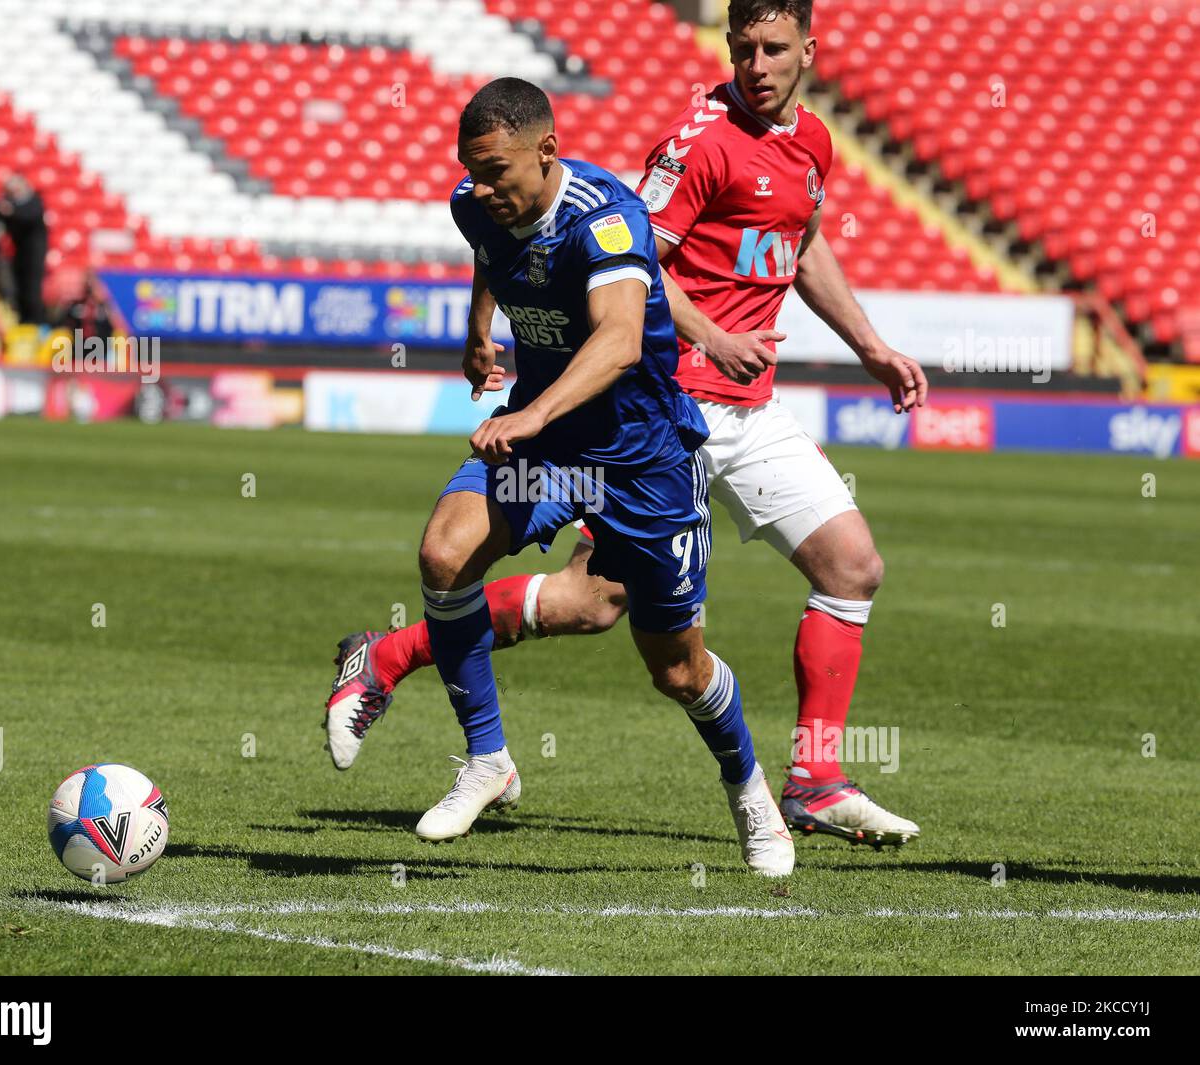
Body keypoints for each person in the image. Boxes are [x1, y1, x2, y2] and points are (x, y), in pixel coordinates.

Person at [329, 1, 929, 849]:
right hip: (659, 390)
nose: (756, 65)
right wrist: (710, 336)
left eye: (773, 49)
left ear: (808, 51)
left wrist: (869, 344)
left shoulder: (814, 145)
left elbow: (802, 241)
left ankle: (815, 778)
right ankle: (423, 687)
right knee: (581, 600)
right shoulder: (695, 146)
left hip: (724, 410)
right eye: (742, 48)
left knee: (843, 569)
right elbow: (638, 257)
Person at [368, 76, 793, 875]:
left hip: (642, 461)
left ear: (548, 151)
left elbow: (621, 340)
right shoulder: (475, 204)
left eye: (497, 170)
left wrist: (529, 413)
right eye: (472, 169)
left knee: (676, 667)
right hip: (548, 456)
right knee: (443, 554)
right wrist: (478, 332)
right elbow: (492, 256)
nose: (481, 187)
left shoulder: (607, 219)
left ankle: (748, 787)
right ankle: (487, 758)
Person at [0, 174, 48, 324]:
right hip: (18, 253)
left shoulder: (34, 202)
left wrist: (11, 211)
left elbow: (29, 216)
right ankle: (23, 320)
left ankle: (36, 322)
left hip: (34, 254)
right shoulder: (9, 204)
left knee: (32, 289)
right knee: (18, 288)